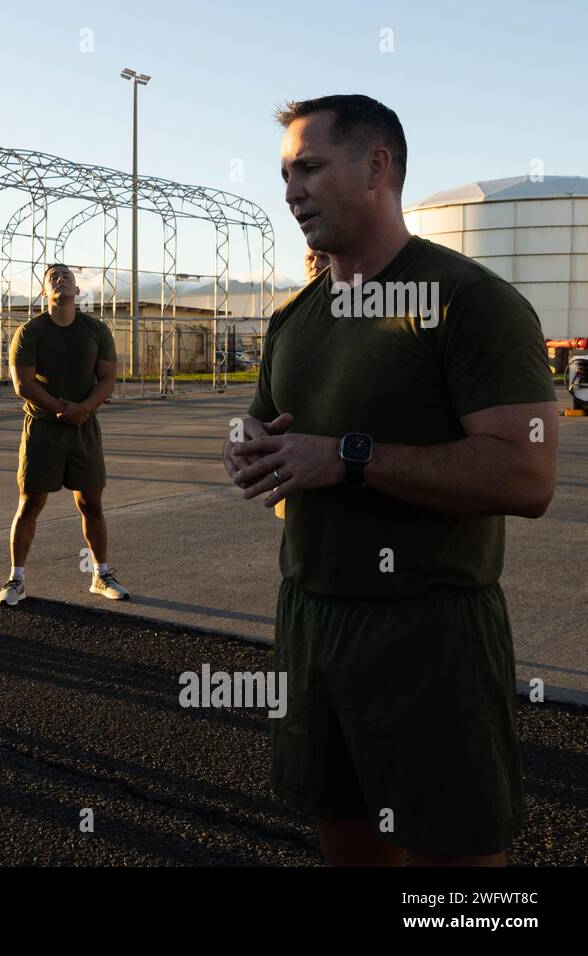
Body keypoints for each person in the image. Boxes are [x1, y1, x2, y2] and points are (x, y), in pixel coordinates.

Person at [223, 94, 557, 866]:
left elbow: (527, 474)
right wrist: (250, 448)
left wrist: (348, 456)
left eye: (309, 167)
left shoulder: (472, 303)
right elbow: (275, 440)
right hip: (310, 617)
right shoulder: (293, 319)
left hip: (429, 632)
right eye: (284, 172)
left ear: (378, 167)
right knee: (345, 840)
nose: (290, 190)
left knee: (457, 868)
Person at [0, 263, 124, 607]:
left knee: (91, 504)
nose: (60, 278)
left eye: (66, 275)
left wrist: (82, 409)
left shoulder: (96, 330)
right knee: (30, 504)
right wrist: (62, 409)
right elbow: (23, 384)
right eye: (52, 276)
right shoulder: (30, 332)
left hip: (84, 428)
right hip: (43, 429)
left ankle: (101, 574)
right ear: (43, 292)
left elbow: (108, 379)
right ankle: (16, 579)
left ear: (77, 291)